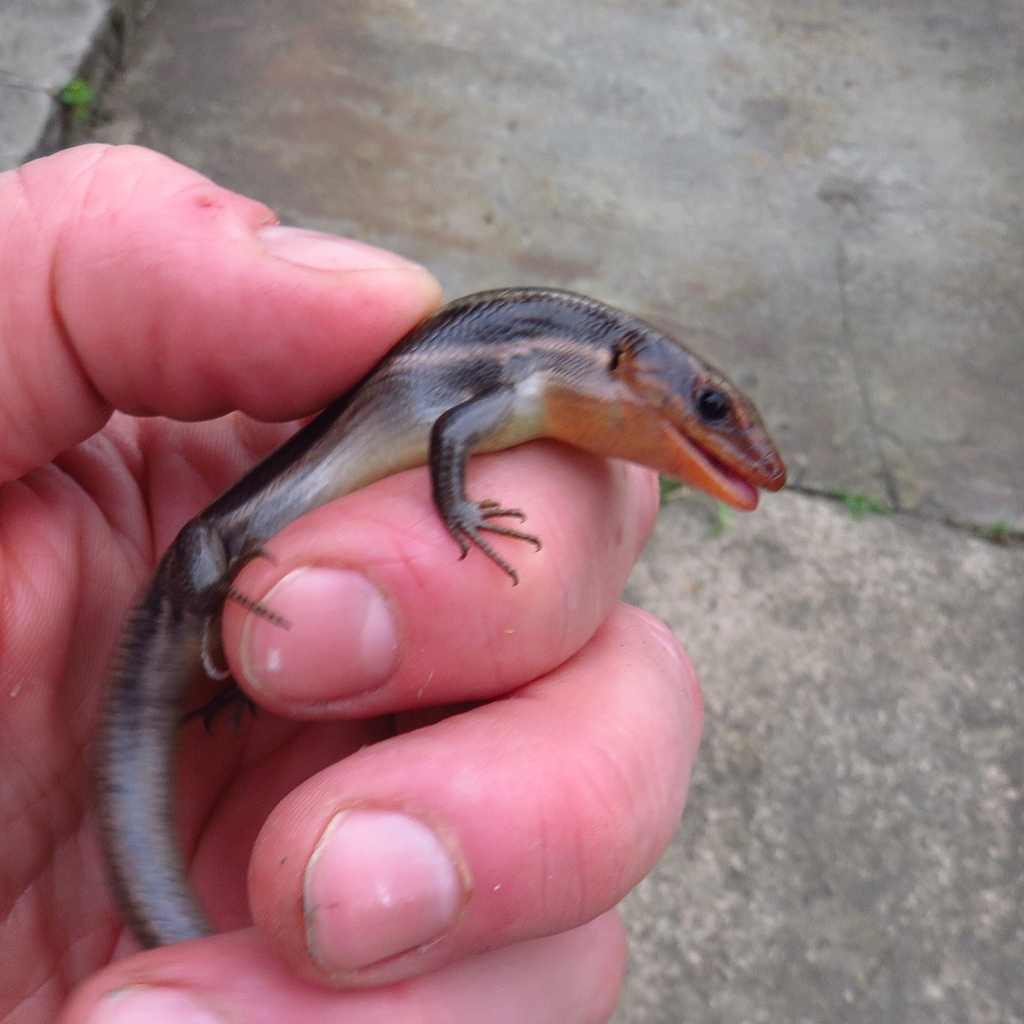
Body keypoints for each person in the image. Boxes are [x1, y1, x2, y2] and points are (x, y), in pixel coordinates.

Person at [0, 145, 703, 1024]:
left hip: (209, 598)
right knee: (235, 579)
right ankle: (233, 668)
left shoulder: (535, 382)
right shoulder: (519, 375)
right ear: (629, 361)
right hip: (200, 564)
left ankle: (236, 680)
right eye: (709, 405)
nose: (711, 426)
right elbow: (451, 438)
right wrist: (458, 513)